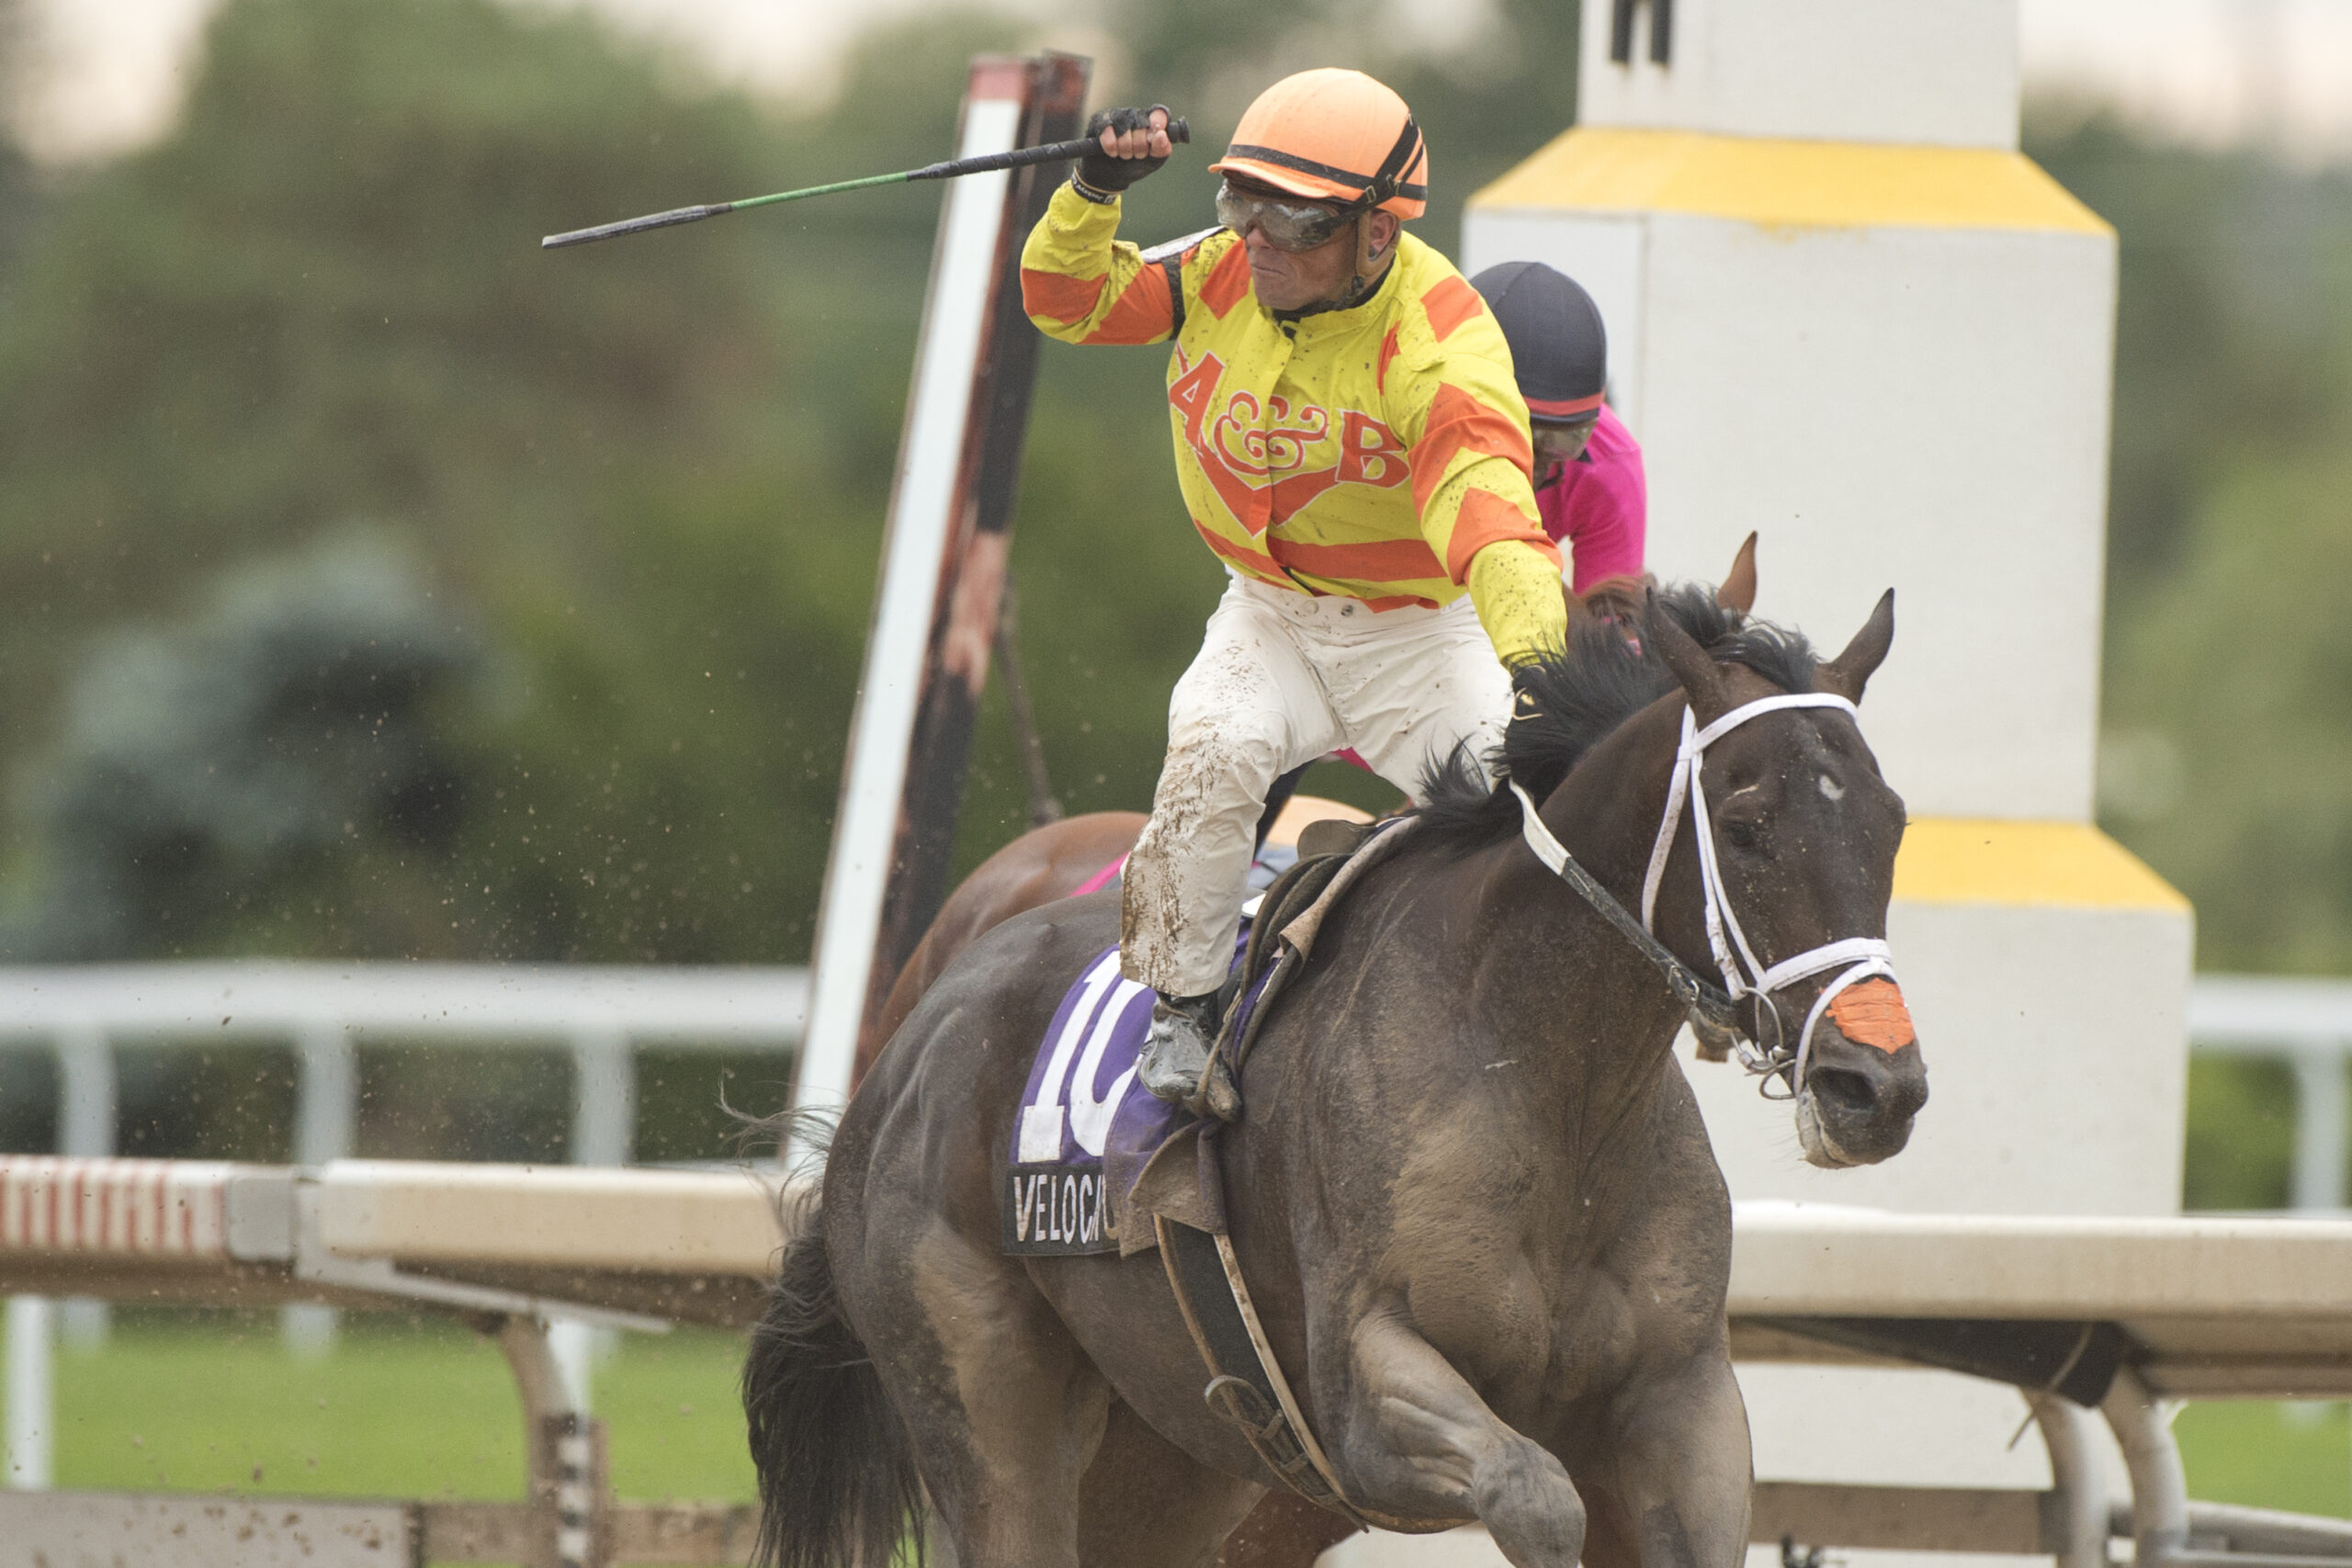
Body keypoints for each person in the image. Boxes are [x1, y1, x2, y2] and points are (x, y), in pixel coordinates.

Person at [1021, 71, 1566, 1106]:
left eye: (1293, 217)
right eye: (1239, 201)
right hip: (1267, 612)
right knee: (1213, 744)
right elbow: (1067, 302)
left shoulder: (1440, 341)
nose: (1256, 238)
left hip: (1419, 634)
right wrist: (1091, 191)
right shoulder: (1215, 271)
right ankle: (1180, 1013)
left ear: (1376, 233)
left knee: (1526, 811)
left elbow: (1492, 523)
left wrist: (1541, 673)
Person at [1468, 261, 1646, 613]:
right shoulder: (1400, 419)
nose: (1533, 469)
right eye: (1519, 437)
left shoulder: (1609, 464)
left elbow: (1610, 642)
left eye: (1561, 442)